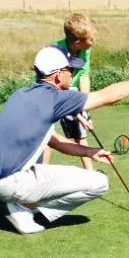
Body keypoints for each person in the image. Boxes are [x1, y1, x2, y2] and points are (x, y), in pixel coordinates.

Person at [0, 45, 129, 235]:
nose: (73, 74)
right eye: (71, 70)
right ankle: (28, 213)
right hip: (10, 183)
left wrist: (90, 152)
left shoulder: (21, 95)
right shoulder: (55, 98)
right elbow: (108, 97)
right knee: (99, 182)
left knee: (43, 155)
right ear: (58, 75)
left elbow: (55, 142)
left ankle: (20, 205)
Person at [42, 13, 97, 170]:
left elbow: (84, 76)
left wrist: (84, 106)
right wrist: (78, 113)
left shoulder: (85, 50)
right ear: (78, 42)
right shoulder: (56, 53)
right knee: (46, 136)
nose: (94, 41)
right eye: (91, 39)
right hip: (50, 94)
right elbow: (59, 88)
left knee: (81, 135)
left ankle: (90, 175)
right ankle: (41, 173)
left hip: (71, 91)